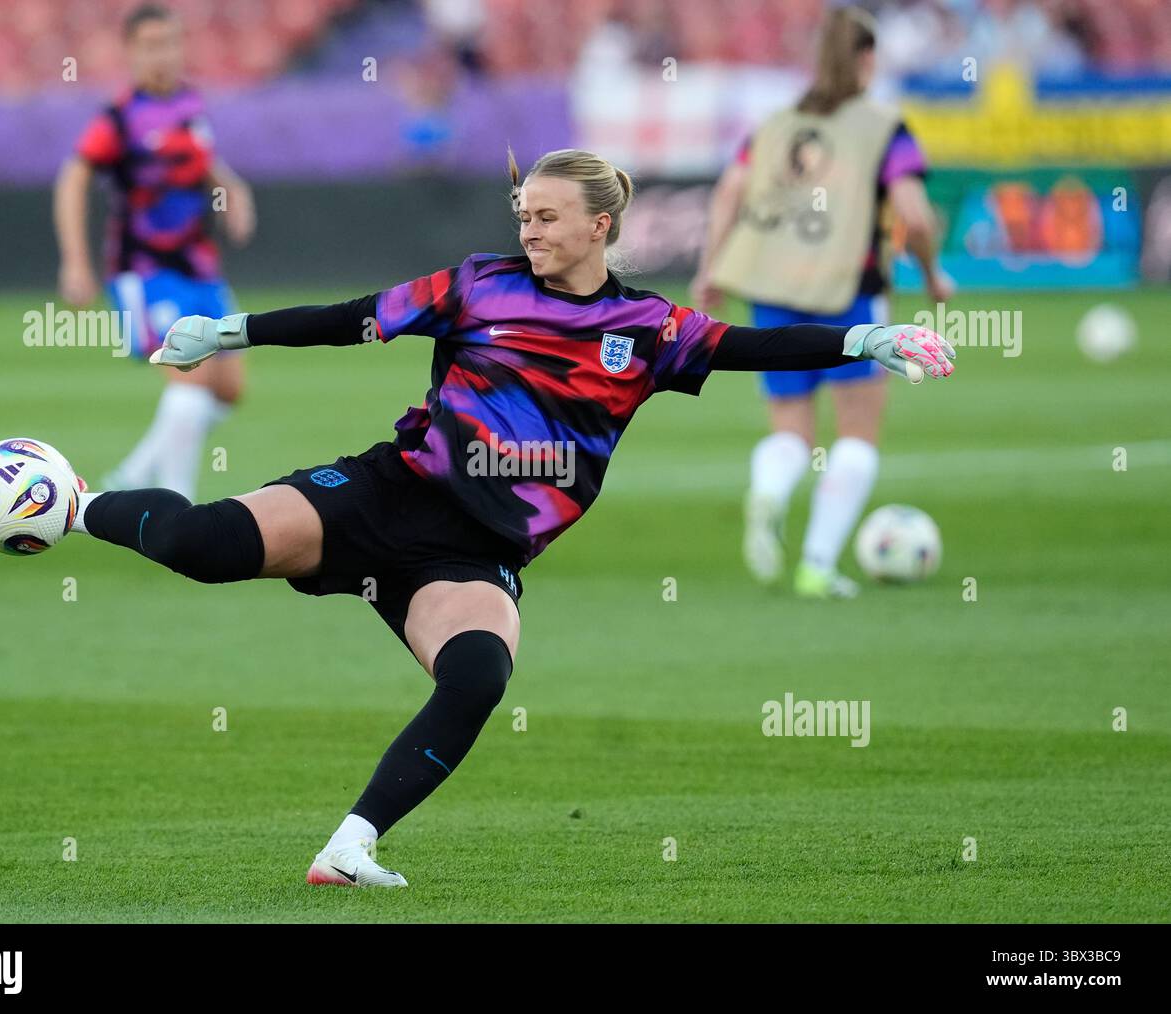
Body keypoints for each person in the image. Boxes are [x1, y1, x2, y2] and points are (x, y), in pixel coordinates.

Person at [51, 148, 952, 887]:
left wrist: (865, 339)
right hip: (386, 495)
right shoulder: (478, 284)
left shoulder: (648, 327)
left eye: (547, 217)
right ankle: (69, 499)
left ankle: (350, 845)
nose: (529, 229)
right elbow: (358, 319)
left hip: (474, 553)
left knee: (478, 673)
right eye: (523, 214)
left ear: (601, 225)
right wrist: (229, 330)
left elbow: (754, 345)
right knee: (196, 545)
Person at [691, 5, 951, 599]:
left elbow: (729, 191)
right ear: (867, 59)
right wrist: (934, 273)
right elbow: (912, 211)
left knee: (790, 429)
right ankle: (816, 565)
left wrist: (712, 269)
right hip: (847, 289)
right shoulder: (884, 126)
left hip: (772, 287)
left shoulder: (776, 122)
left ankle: (772, 490)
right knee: (857, 431)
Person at [53, 2, 255, 500]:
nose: (161, 55)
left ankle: (133, 474)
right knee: (191, 379)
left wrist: (234, 191)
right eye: (149, 46)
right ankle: (175, 507)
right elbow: (72, 180)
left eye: (168, 43)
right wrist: (75, 261)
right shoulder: (118, 120)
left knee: (229, 389)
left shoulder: (190, 104)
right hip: (143, 271)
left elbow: (204, 162)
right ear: (131, 53)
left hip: (200, 267)